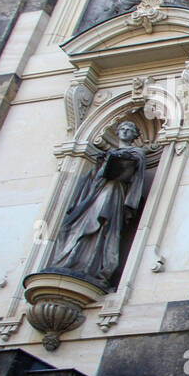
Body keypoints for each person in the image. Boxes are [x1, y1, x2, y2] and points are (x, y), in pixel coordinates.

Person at [47, 120, 146, 290]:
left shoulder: (136, 153)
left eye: (129, 129)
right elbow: (93, 178)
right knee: (72, 225)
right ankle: (69, 261)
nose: (125, 131)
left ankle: (93, 267)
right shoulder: (107, 154)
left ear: (135, 135)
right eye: (122, 128)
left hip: (113, 193)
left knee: (101, 225)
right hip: (94, 194)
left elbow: (132, 175)